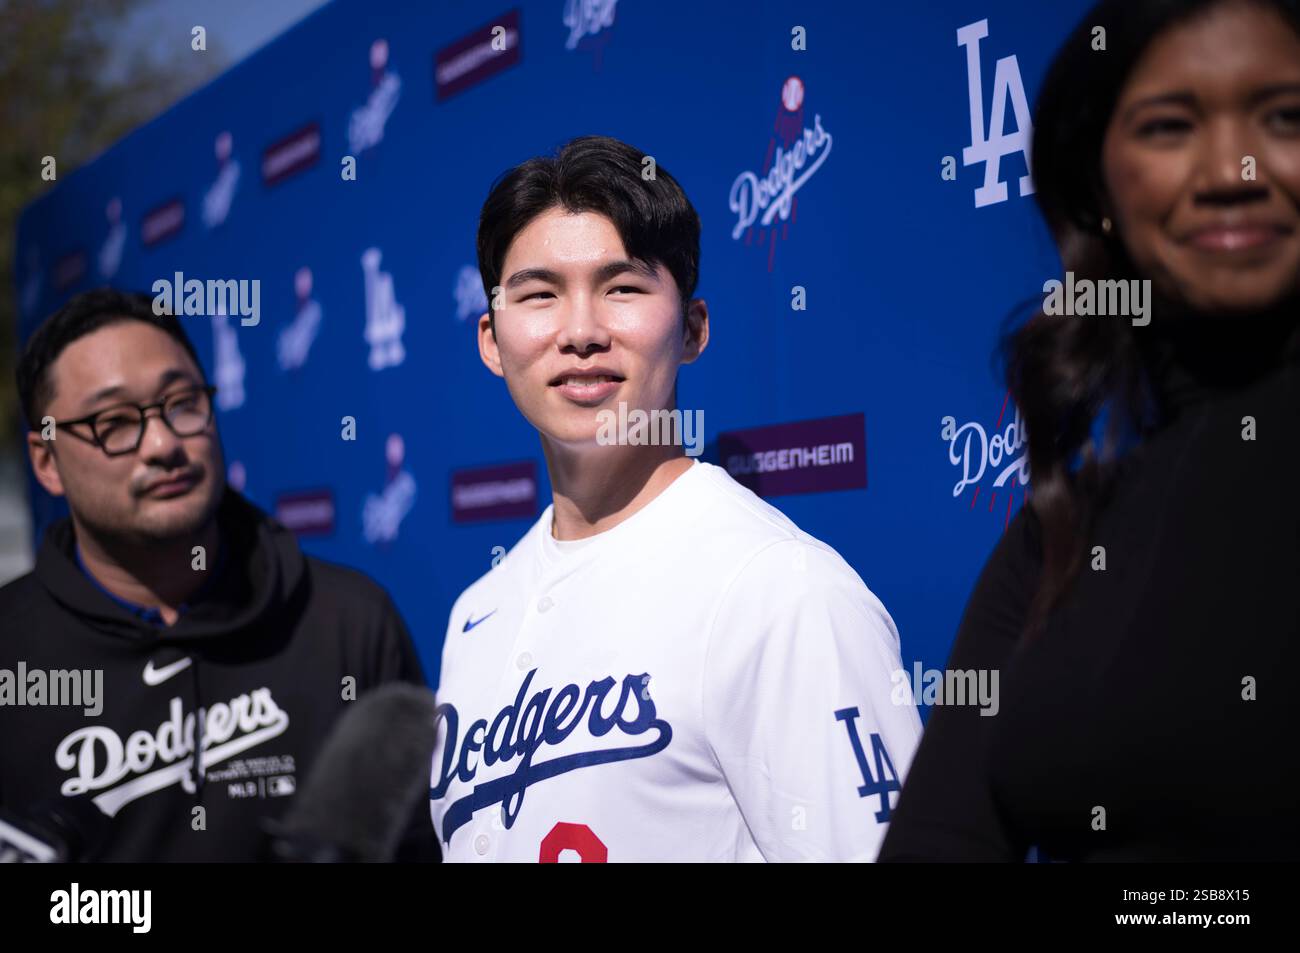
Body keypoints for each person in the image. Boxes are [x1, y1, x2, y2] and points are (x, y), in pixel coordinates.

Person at [880, 0, 1300, 861]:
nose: (1233, 168)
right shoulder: (1062, 531)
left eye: (1286, 116)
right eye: (1170, 126)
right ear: (1097, 187)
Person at [428, 135, 921, 862]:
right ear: (492, 340)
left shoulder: (779, 592)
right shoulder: (476, 610)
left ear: (692, 328)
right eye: (538, 294)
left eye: (622, 287)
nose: (581, 331)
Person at [0, 288, 438, 861]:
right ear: (45, 461)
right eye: (113, 422)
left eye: (181, 404)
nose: (162, 444)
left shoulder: (347, 621)